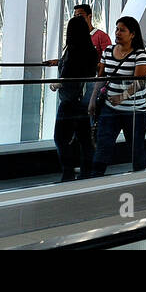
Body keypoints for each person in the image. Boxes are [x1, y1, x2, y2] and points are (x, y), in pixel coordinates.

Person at [88, 16, 146, 177]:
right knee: (103, 145)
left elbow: (139, 82)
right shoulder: (108, 51)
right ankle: (96, 179)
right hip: (110, 109)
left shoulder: (139, 55)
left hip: (134, 111)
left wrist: (121, 97)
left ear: (132, 34)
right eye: (117, 29)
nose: (117, 33)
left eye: (122, 30)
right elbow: (101, 78)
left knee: (135, 148)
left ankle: (140, 179)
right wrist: (93, 100)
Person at [49, 16, 97, 181]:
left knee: (60, 138)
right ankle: (86, 172)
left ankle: (68, 172)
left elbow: (68, 75)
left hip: (69, 101)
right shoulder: (91, 50)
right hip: (84, 101)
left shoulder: (73, 49)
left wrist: (56, 85)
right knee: (84, 139)